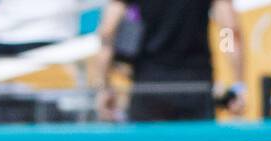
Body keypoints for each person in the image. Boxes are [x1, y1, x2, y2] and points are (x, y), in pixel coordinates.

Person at [94, 0, 245, 122]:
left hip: (148, 87)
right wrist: (238, 85)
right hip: (196, 87)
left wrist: (104, 87)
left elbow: (108, 32)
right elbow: (229, 30)